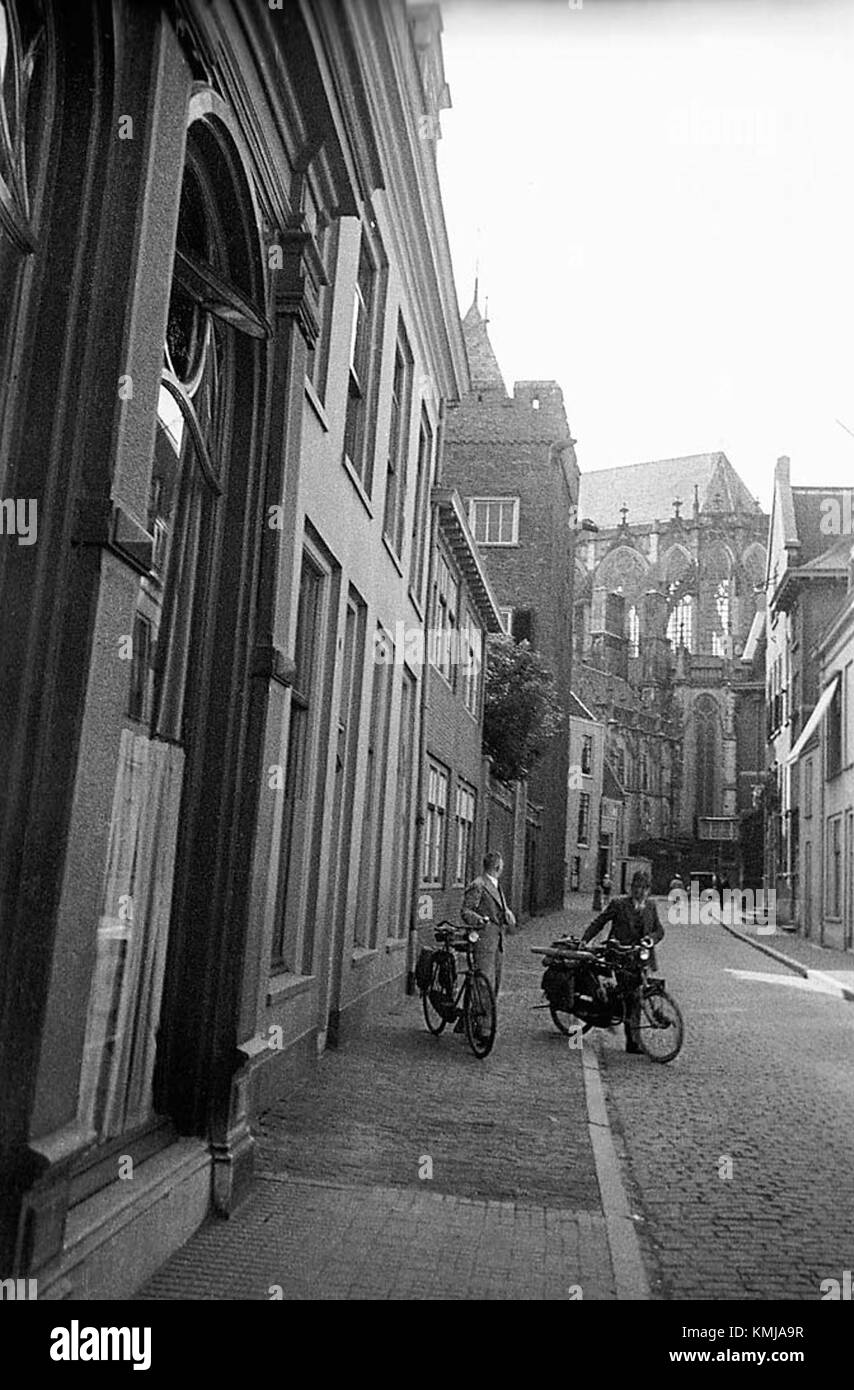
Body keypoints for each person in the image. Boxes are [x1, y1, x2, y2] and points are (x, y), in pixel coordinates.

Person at [581, 869, 664, 1054]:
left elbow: (659, 930)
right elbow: (600, 922)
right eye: (636, 887)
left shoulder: (651, 907)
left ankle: (628, 1032)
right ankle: (631, 1041)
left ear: (648, 890)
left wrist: (651, 939)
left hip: (641, 959)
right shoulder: (619, 904)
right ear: (630, 888)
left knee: (638, 996)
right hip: (620, 956)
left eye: (643, 888)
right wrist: (585, 939)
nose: (640, 891)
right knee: (632, 997)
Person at [461, 851, 516, 999]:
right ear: (497, 867)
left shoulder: (496, 885)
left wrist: (507, 913)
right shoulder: (479, 884)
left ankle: (485, 1019)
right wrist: (481, 921)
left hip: (497, 941)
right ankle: (480, 1020)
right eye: (502, 866)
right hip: (484, 940)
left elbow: (498, 907)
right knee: (483, 982)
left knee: (495, 983)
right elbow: (466, 911)